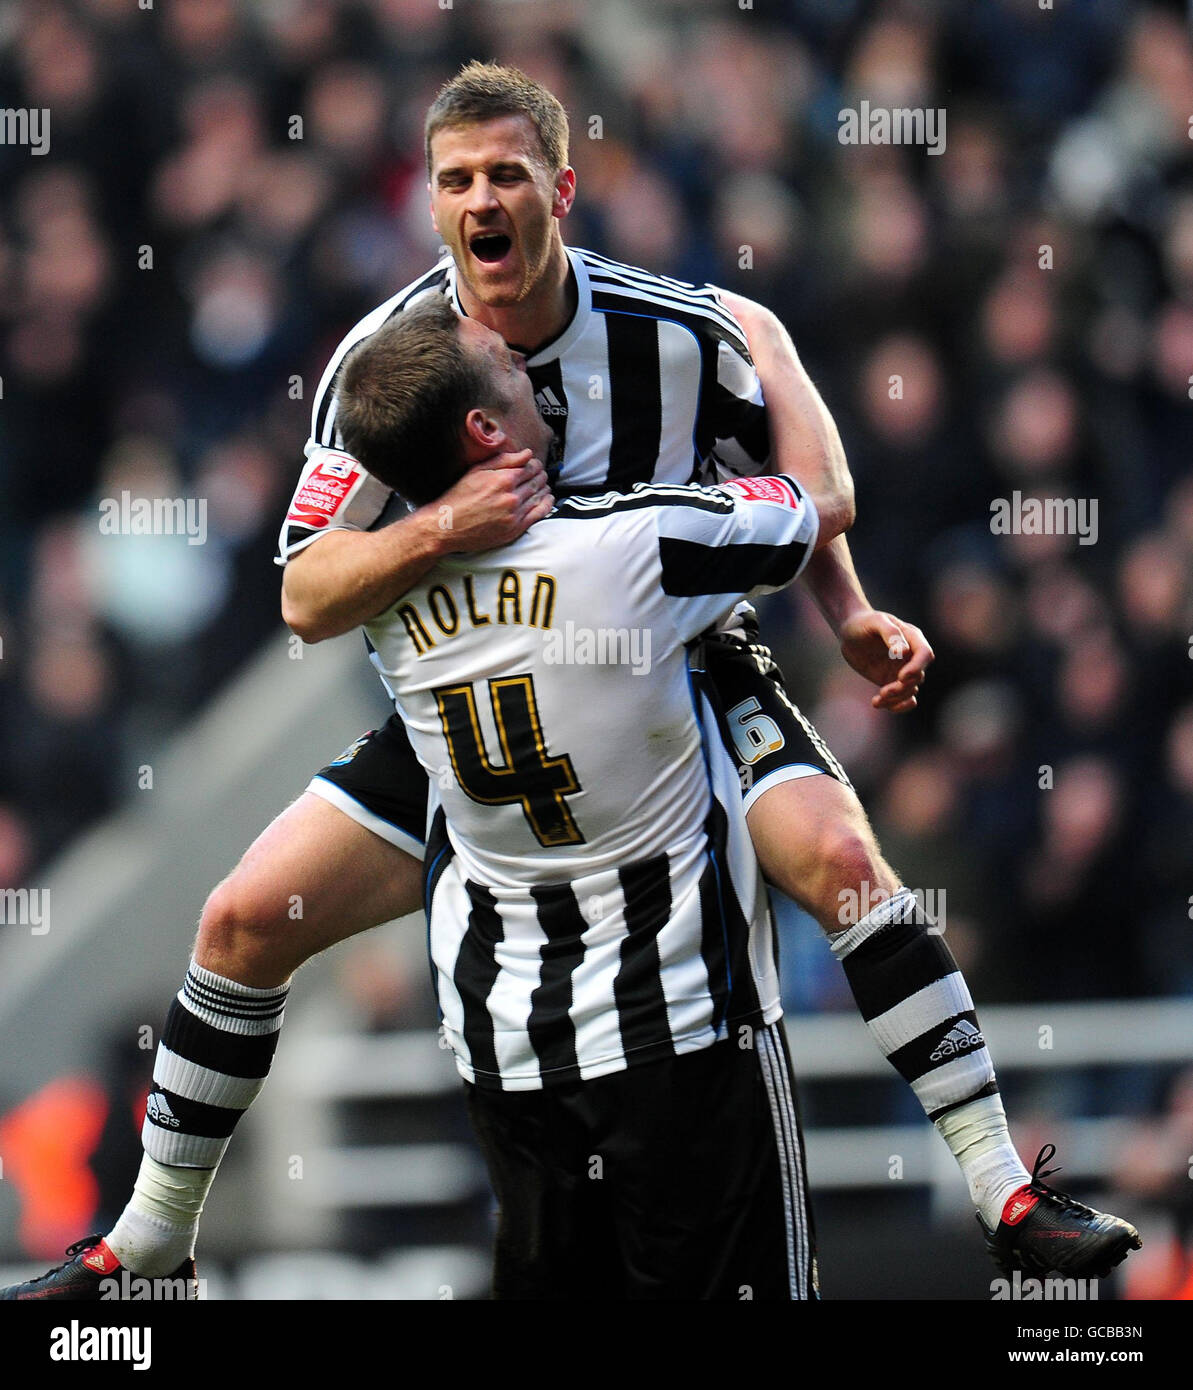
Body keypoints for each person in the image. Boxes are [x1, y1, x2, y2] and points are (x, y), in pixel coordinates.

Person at [2, 63, 1139, 1300]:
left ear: (561, 192)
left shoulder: (678, 332)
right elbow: (304, 589)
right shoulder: (385, 365)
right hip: (476, 709)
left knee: (845, 866)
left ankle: (997, 1186)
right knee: (235, 921)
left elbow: (796, 483)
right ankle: (153, 1233)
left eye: (504, 174)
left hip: (675, 669)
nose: (480, 199)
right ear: (429, 204)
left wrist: (849, 610)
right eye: (455, 179)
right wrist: (438, 533)